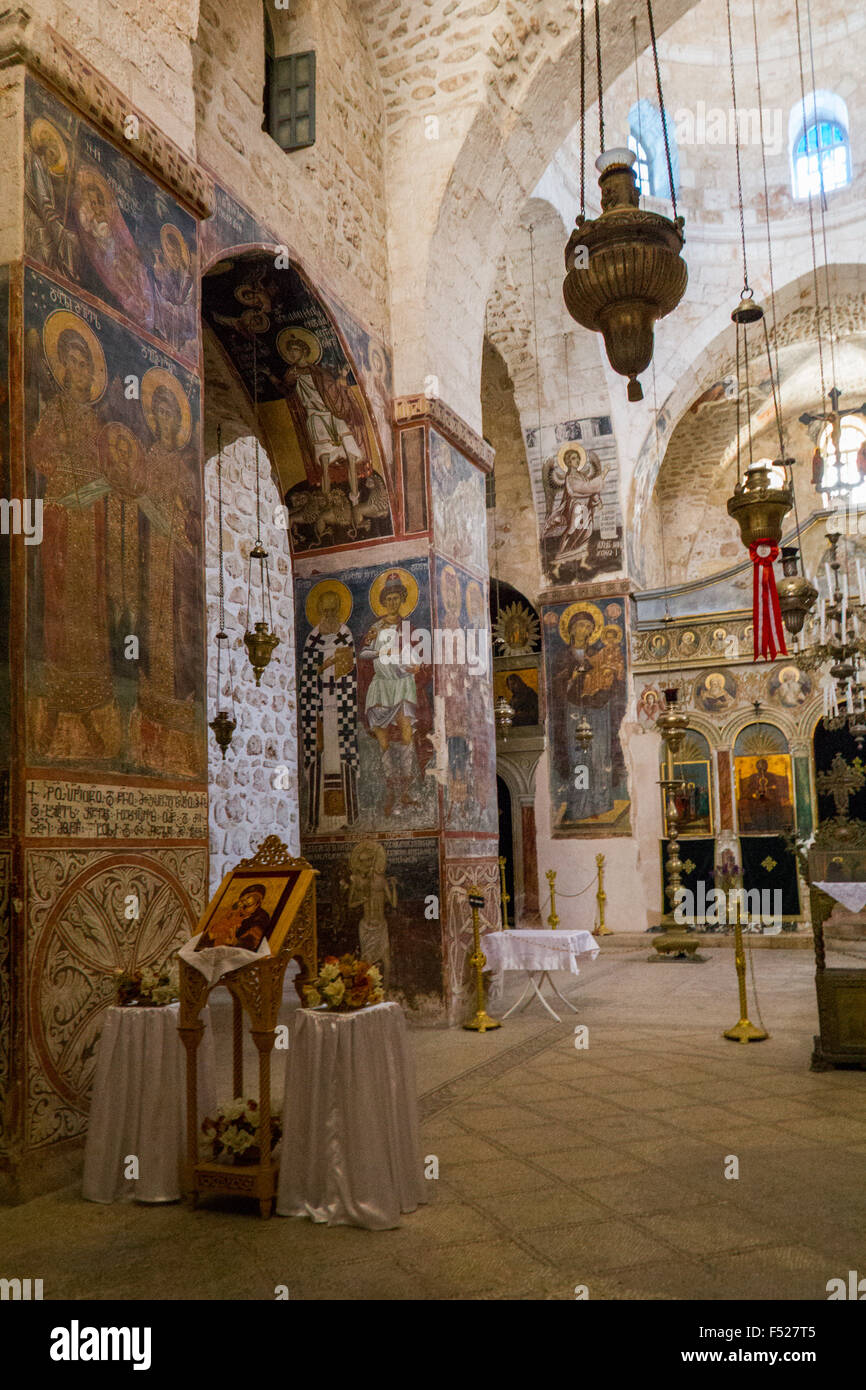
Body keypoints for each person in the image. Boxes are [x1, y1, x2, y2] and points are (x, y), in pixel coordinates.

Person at [360, 571, 421, 815]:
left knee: (406, 731)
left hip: (403, 684)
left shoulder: (409, 628)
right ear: (384, 601)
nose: (393, 602)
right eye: (389, 598)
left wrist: (414, 666)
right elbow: (364, 653)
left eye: (397, 598)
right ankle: (391, 789)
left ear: (402, 600)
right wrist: (380, 654)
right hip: (381, 686)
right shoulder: (375, 628)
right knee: (383, 739)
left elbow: (418, 659)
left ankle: (405, 789)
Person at [300, 587, 358, 831]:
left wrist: (332, 666)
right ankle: (319, 820)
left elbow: (349, 670)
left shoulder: (345, 635)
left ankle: (346, 818)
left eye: (333, 610)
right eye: (324, 611)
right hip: (319, 707)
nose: (329, 615)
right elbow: (308, 676)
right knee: (319, 757)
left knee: (341, 757)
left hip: (341, 707)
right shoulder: (312, 639)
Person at [197, 885, 271, 952]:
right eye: (243, 898)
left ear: (258, 900)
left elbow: (253, 940)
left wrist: (236, 942)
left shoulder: (261, 916)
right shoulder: (235, 912)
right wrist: (210, 936)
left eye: (249, 897)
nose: (245, 900)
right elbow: (221, 924)